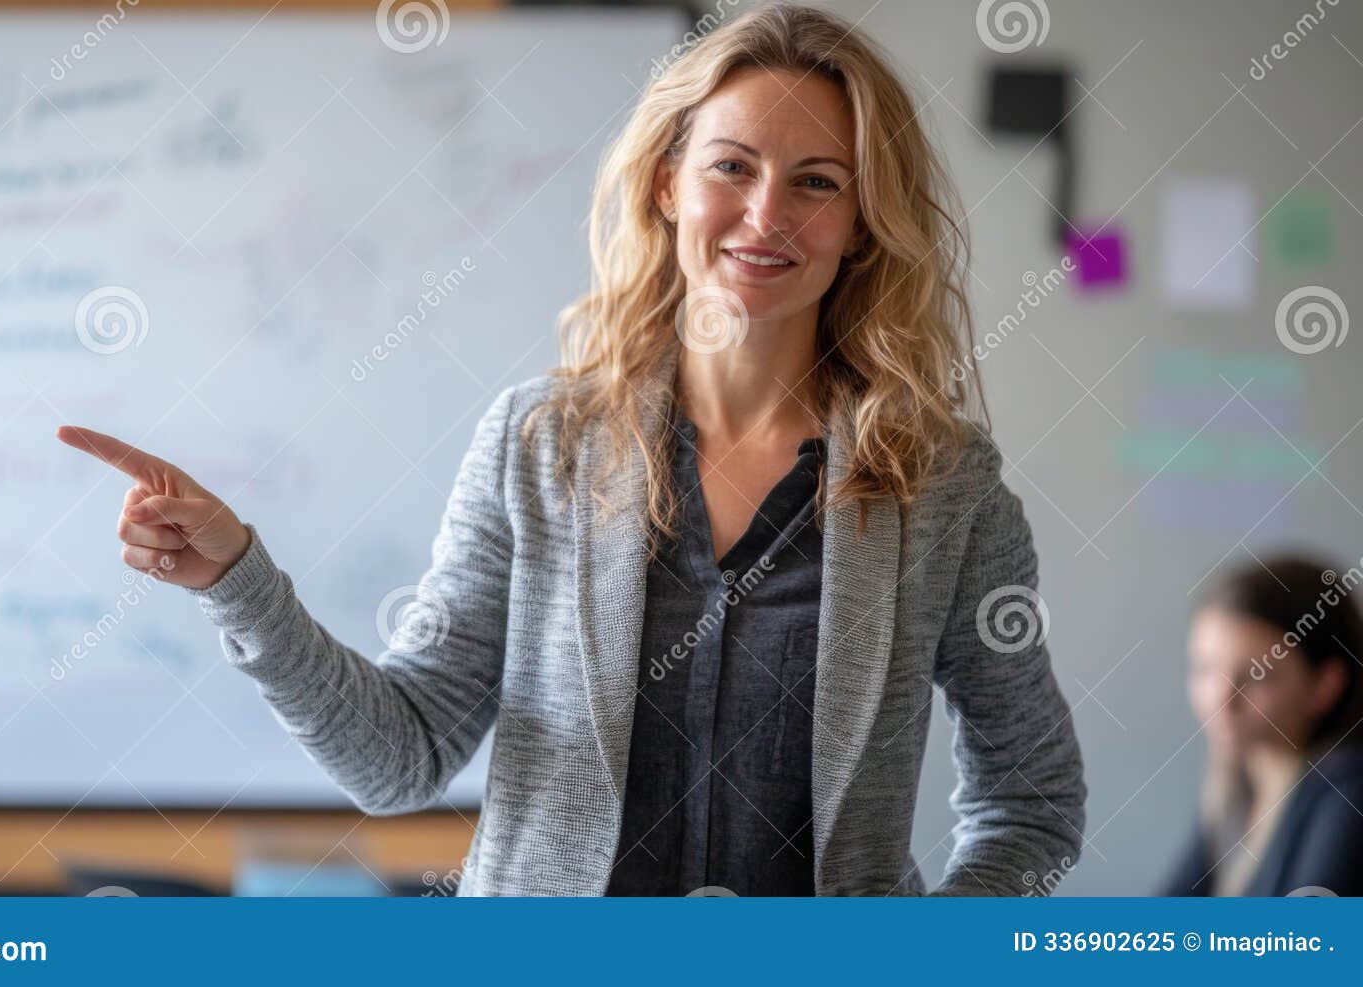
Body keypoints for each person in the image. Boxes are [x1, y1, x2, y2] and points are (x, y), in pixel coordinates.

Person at [56, 2, 1086, 896]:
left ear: (862, 222)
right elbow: (401, 759)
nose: (765, 214)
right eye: (731, 166)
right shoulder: (538, 445)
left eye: (816, 181)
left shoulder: (942, 486)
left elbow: (1032, 805)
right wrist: (239, 578)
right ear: (667, 185)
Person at [1159, 556, 1363, 896]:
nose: (1221, 700)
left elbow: (1305, 942)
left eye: (1257, 674)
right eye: (1205, 669)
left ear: (1325, 685)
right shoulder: (1238, 776)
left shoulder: (1348, 792)